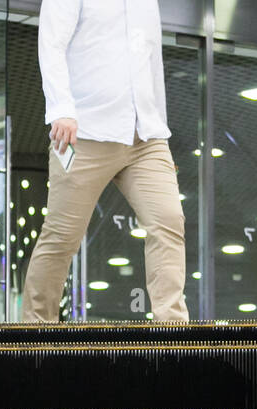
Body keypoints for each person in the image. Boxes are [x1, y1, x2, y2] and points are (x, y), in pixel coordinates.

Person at [23, 0, 189, 324]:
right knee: (62, 236)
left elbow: (152, 65)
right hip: (84, 132)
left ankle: (173, 329)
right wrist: (61, 109)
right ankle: (35, 329)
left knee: (169, 221)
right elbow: (51, 41)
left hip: (145, 138)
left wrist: (159, 129)